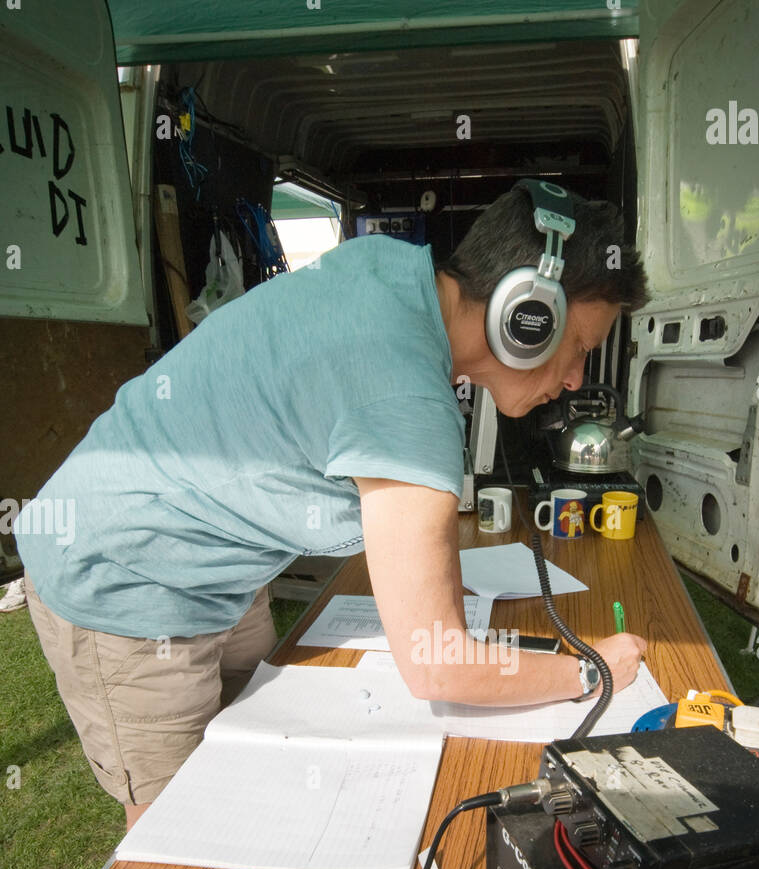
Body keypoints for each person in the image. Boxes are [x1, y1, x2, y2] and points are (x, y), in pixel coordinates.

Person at [15, 182, 650, 832]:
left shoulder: (390, 271)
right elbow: (439, 665)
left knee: (256, 755)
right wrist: (588, 670)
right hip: (122, 576)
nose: (575, 379)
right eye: (577, 346)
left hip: (220, 566)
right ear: (526, 315)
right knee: (180, 828)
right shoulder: (402, 396)